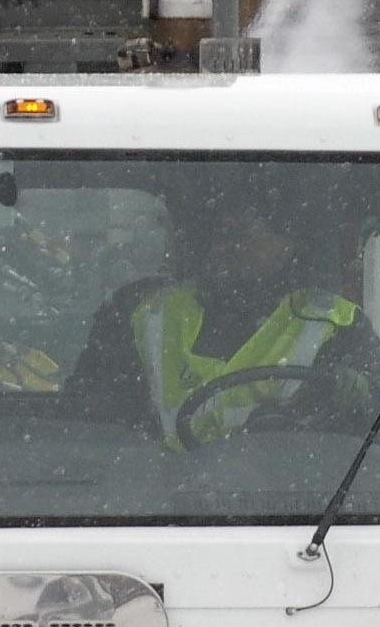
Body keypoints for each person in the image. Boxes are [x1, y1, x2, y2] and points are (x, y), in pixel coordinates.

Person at [74, 183, 365, 450]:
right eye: (217, 233)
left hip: (288, 499)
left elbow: (366, 443)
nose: (224, 245)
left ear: (286, 245)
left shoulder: (338, 326)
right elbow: (90, 424)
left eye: (240, 233)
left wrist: (357, 396)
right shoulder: (143, 313)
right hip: (150, 499)